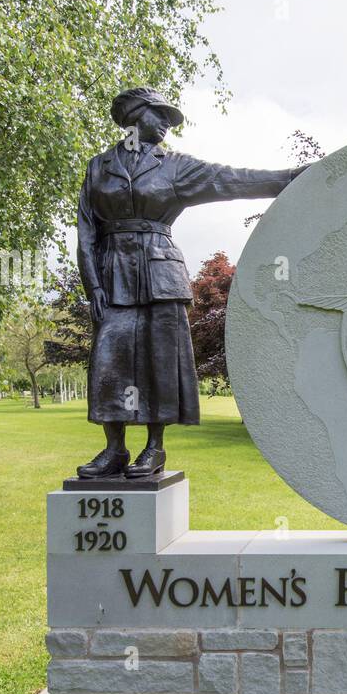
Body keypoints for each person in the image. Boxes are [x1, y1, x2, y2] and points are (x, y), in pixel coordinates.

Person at [75, 87, 306, 478]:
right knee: (108, 360)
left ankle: (154, 447)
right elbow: (85, 231)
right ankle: (114, 448)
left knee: (159, 359)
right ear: (134, 115)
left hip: (160, 273)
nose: (167, 122)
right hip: (112, 274)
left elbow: (229, 180)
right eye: (159, 113)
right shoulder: (99, 167)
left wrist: (287, 178)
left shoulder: (175, 166)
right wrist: (93, 287)